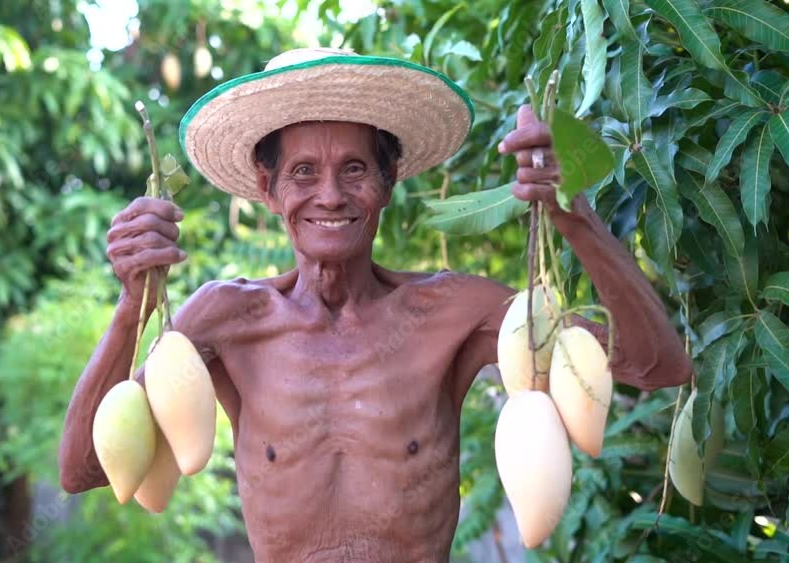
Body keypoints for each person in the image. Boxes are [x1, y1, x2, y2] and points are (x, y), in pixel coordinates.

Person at [58, 48, 690, 562]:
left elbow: (653, 365)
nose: (330, 195)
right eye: (303, 172)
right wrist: (130, 306)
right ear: (267, 187)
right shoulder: (226, 321)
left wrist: (573, 219)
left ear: (389, 183)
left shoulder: (451, 312)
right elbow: (84, 469)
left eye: (355, 168)